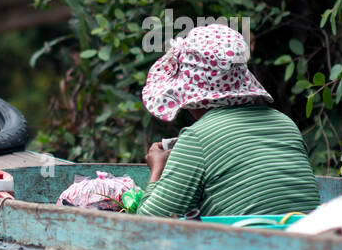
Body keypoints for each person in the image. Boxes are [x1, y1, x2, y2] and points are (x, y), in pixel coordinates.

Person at [134, 23, 320, 218]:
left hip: (246, 244)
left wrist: (158, 168)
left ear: (189, 96)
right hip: (308, 238)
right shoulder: (285, 123)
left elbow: (149, 222)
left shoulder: (197, 138)